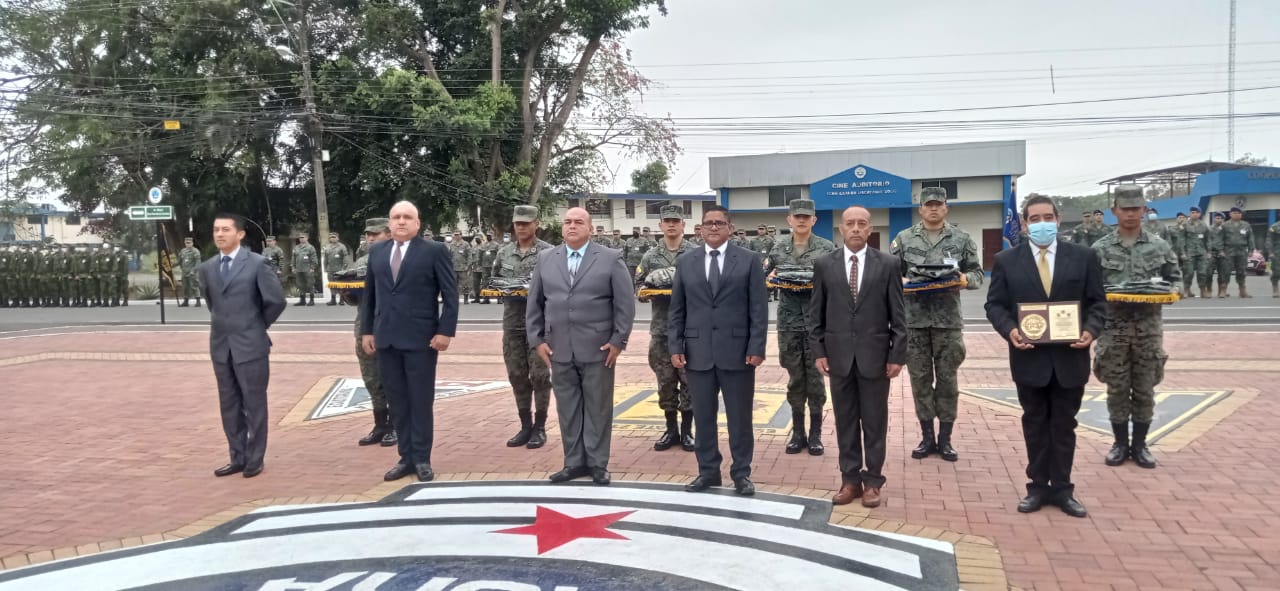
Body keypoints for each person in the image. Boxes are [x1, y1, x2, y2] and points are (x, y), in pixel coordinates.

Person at [985, 195, 1107, 518]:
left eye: (1047, 217)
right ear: (1024, 224)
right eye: (1034, 219)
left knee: (1064, 425)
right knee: (1035, 425)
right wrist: (1010, 330)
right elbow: (994, 305)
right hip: (1029, 359)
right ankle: (1037, 487)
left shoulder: (1084, 257)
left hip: (1070, 358)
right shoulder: (1006, 260)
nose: (1042, 224)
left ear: (1058, 219)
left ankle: (1063, 489)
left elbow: (1098, 303)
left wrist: (1090, 331)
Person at [527, 207, 634, 486]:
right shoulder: (546, 258)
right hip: (558, 348)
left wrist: (618, 341)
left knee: (598, 408)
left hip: (599, 348)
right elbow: (535, 303)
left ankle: (598, 464)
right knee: (568, 408)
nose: (572, 226)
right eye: (567, 222)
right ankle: (573, 463)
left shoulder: (610, 259)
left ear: (590, 228)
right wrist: (537, 339)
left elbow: (625, 304)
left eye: (578, 222)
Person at [809, 206, 907, 508]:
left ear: (870, 229)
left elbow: (899, 317)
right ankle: (850, 480)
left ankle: (873, 482)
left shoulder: (889, 264)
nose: (855, 228)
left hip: (875, 357)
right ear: (841, 228)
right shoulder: (824, 264)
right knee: (846, 421)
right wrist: (819, 351)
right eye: (849, 223)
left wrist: (897, 355)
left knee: (875, 422)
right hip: (838, 358)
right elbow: (817, 315)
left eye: (861, 224)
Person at [670, 205, 768, 497]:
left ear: (730, 228)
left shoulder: (749, 260)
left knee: (740, 418)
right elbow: (677, 310)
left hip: (738, 353)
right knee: (703, 416)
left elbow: (758, 309)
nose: (713, 228)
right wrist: (675, 345)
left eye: (719, 223)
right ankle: (708, 472)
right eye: (708, 224)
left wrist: (757, 346)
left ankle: (741, 474)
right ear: (699, 228)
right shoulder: (686, 261)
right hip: (697, 352)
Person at [361, 201, 459, 483]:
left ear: (418, 223)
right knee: (398, 401)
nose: (401, 221)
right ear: (389, 224)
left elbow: (450, 296)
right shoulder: (377, 251)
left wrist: (445, 331)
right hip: (386, 338)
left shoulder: (434, 251)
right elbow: (371, 294)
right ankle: (405, 457)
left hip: (421, 339)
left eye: (407, 217)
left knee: (420, 400)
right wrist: (367, 331)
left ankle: (422, 458)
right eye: (396, 217)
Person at [890, 187, 984, 462]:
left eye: (938, 205)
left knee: (947, 382)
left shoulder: (962, 238)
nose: (933, 209)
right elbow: (891, 274)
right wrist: (903, 282)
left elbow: (976, 272)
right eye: (928, 205)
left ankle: (945, 440)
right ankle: (926, 437)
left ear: (946, 208)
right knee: (919, 381)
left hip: (947, 323)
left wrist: (964, 280)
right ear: (920, 209)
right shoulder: (904, 239)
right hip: (914, 322)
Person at [1091, 185, 1180, 470]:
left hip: (1147, 328)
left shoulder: (1160, 246)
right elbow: (1089, 289)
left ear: (1144, 210)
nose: (1130, 214)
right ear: (1114, 211)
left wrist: (1173, 291)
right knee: (1116, 388)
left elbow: (1176, 279)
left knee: (1144, 388)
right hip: (1113, 328)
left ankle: (1140, 445)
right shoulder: (1100, 249)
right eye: (1125, 209)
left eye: (1136, 209)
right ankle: (1119, 444)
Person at [198, 213, 287, 478]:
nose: (219, 234)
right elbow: (213, 304)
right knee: (229, 403)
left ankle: (254, 458)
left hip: (251, 345)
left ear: (240, 234)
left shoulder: (258, 264)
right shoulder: (207, 268)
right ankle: (236, 456)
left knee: (254, 402)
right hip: (221, 346)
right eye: (216, 230)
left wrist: (255, 325)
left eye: (226, 229)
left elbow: (276, 301)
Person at [767, 199, 836, 456]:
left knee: (816, 379)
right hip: (788, 323)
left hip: (817, 323)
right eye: (797, 216)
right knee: (795, 378)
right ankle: (798, 433)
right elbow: (767, 279)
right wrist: (771, 280)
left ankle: (816, 434)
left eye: (807, 216)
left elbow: (834, 283)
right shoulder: (777, 249)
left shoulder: (827, 248)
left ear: (814, 220)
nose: (802, 220)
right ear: (789, 219)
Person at [492, 205, 554, 449]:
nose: (521, 227)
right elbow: (494, 281)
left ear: (536, 224)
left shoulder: (549, 253)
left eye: (526, 223)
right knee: (517, 375)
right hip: (513, 323)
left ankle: (540, 427)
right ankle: (525, 425)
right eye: (518, 223)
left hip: (539, 323)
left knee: (539, 375)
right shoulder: (504, 253)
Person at [637, 204, 696, 452]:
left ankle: (687, 432)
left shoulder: (696, 253)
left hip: (691, 330)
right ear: (660, 226)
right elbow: (639, 287)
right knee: (665, 381)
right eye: (667, 221)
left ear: (684, 225)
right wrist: (646, 292)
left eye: (676, 221)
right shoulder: (650, 256)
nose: (671, 225)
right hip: (661, 330)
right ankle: (670, 429)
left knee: (690, 381)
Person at [348, 218, 397, 447]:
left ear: (388, 234)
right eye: (367, 234)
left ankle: (395, 425)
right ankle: (380, 424)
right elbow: (352, 298)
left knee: (391, 376)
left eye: (374, 235)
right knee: (370, 376)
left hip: (389, 324)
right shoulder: (361, 261)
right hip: (364, 326)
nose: (369, 239)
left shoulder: (396, 259)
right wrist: (346, 291)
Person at [1221, 207, 1255, 298]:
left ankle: (1242, 291)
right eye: (1234, 213)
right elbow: (1220, 238)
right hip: (1228, 251)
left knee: (1241, 271)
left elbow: (1250, 238)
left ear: (1241, 214)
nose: (1236, 214)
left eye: (1238, 213)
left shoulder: (1246, 225)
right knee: (1226, 271)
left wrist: (1251, 249)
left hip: (1242, 251)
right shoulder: (1225, 225)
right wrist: (1221, 250)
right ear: (1230, 214)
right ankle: (1223, 290)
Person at [1182, 207, 1212, 298]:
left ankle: (1203, 290)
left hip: (1201, 252)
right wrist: (1182, 252)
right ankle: (1186, 290)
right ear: (1190, 214)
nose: (1194, 214)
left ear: (1199, 214)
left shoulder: (1203, 225)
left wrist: (1209, 251)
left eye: (1196, 212)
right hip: (1189, 252)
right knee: (1189, 272)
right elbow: (1181, 239)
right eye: (1192, 212)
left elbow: (1208, 239)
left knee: (1202, 272)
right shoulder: (1185, 225)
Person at [324, 232, 351, 306]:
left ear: (338, 238)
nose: (332, 238)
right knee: (332, 284)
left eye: (334, 237)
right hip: (330, 269)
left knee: (340, 285)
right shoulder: (327, 247)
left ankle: (342, 299)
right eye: (331, 237)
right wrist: (325, 267)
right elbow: (325, 258)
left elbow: (345, 257)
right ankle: (333, 300)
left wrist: (344, 267)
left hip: (339, 269)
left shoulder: (342, 246)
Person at [292, 233, 318, 306]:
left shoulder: (310, 247)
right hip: (298, 269)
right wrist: (293, 267)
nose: (301, 239)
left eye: (303, 237)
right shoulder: (296, 248)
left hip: (308, 269)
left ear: (307, 238)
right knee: (300, 285)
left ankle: (311, 300)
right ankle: (302, 300)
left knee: (310, 284)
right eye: (300, 238)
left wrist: (312, 267)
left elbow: (314, 259)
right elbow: (293, 259)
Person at [448, 230, 473, 304]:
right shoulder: (452, 244)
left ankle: (466, 299)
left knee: (465, 284)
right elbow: (449, 256)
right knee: (453, 284)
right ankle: (455, 298)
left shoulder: (465, 244)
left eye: (458, 235)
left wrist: (468, 266)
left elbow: (469, 256)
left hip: (463, 268)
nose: (456, 236)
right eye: (455, 235)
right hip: (453, 268)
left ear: (461, 235)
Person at [1207, 212, 1228, 297]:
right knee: (1209, 273)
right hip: (1212, 253)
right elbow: (1207, 241)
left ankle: (1221, 291)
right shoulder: (1209, 229)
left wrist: (1224, 251)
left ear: (1223, 220)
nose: (1219, 220)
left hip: (1223, 254)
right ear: (1214, 219)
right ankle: (1209, 290)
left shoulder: (1226, 229)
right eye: (1217, 218)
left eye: (1221, 218)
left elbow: (1229, 241)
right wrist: (1208, 252)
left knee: (1222, 273)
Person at [178, 237, 203, 307]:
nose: (187, 244)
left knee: (194, 286)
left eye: (189, 243)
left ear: (192, 243)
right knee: (185, 287)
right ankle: (186, 301)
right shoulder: (183, 251)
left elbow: (198, 262)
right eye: (186, 243)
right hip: (184, 272)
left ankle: (198, 301)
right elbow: (179, 261)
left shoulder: (195, 251)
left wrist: (193, 271)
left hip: (192, 272)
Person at [1267, 219, 1280, 298]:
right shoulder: (1274, 226)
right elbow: (1269, 240)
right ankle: (1275, 288)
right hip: (1277, 252)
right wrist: (1270, 252)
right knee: (1277, 271)